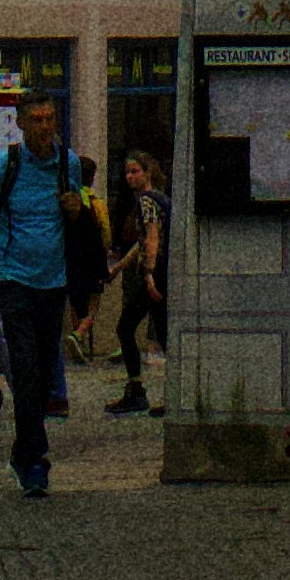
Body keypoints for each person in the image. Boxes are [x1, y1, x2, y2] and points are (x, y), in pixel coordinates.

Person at [0, 83, 101, 500]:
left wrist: (78, 209)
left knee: (41, 375)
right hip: (12, 278)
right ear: (20, 125)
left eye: (49, 120)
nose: (44, 128)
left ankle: (22, 453)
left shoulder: (68, 165)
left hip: (52, 281)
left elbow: (81, 226)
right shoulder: (7, 165)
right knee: (24, 366)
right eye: (35, 121)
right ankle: (37, 459)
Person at [110, 147, 170, 413]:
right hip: (163, 271)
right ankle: (170, 393)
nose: (129, 177)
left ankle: (136, 389)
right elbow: (142, 241)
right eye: (127, 172)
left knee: (126, 328)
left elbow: (152, 239)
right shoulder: (160, 199)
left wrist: (147, 275)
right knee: (165, 333)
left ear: (147, 173)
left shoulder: (146, 201)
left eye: (135, 171)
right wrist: (119, 267)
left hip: (155, 273)